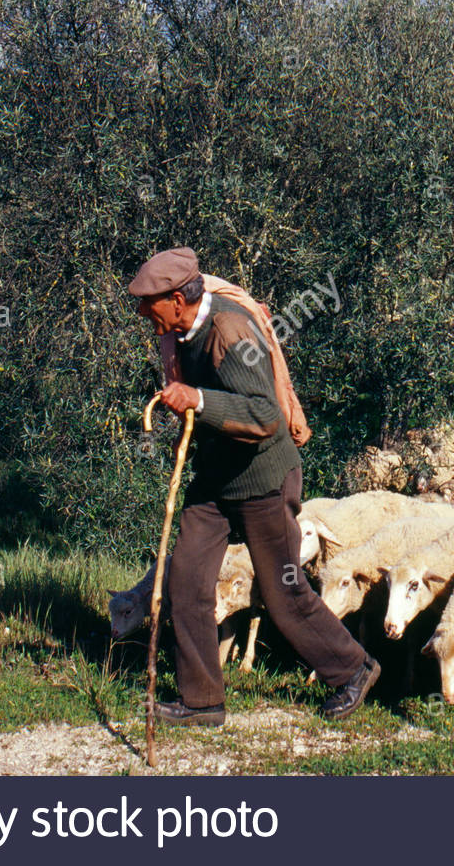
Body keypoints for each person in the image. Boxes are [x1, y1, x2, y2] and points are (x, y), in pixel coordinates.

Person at [128, 246, 379, 725]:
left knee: (283, 594)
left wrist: (198, 399)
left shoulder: (229, 331)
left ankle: (354, 669)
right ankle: (202, 702)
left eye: (149, 302)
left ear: (178, 299)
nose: (143, 311)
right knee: (186, 583)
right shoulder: (183, 333)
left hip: (263, 479)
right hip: (218, 482)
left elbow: (265, 416)